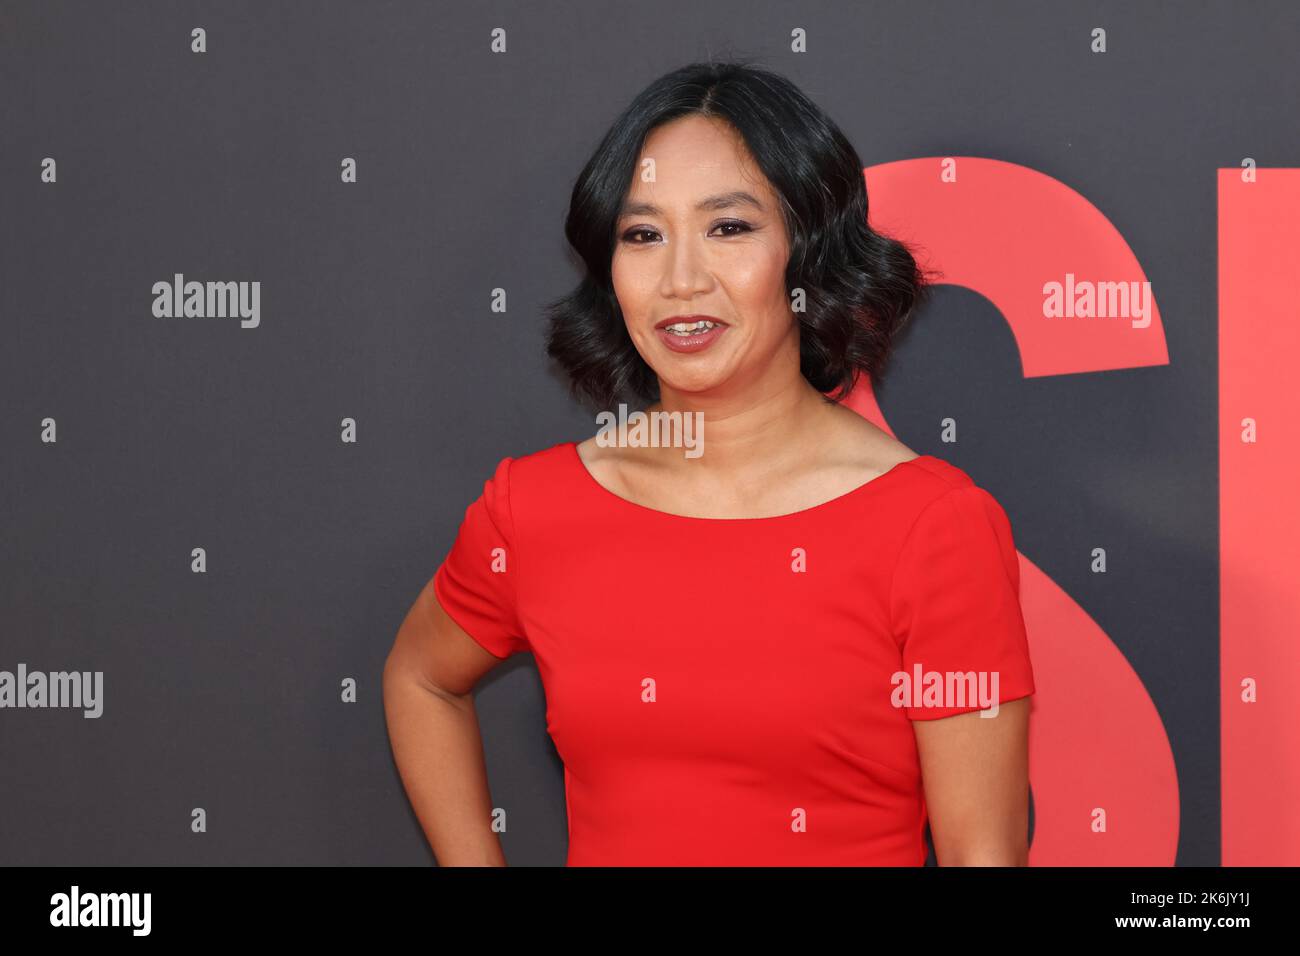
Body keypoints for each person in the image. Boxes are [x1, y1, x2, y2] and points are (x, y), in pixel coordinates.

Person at [383, 59, 1035, 866]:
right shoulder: (535, 507)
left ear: (807, 251)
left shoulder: (931, 525)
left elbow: (984, 854)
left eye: (729, 227)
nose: (681, 280)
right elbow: (421, 678)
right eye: (643, 235)